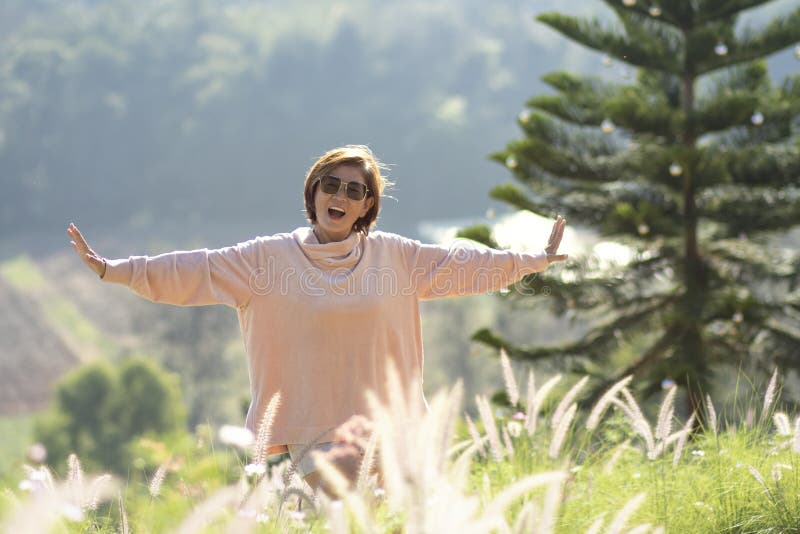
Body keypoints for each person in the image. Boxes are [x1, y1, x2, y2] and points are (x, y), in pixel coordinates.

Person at [66, 145, 567, 494]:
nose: (341, 197)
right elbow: (196, 269)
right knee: (350, 502)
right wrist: (115, 270)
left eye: (354, 190)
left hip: (392, 428)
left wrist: (531, 260)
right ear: (314, 191)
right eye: (332, 185)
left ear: (367, 205)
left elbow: (466, 265)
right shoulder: (265, 261)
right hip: (315, 430)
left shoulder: (397, 258)